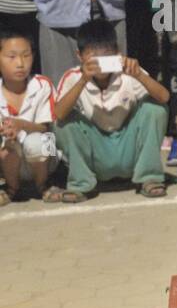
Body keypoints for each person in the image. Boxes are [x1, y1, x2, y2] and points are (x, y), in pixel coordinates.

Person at [52, 19, 170, 201]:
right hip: (96, 153)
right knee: (64, 123)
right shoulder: (73, 77)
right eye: (93, 56)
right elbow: (58, 114)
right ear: (80, 56)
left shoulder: (129, 73)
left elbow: (164, 98)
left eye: (106, 55)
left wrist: (139, 75)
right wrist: (83, 80)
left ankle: (149, 177)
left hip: (128, 147)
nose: (100, 63)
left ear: (117, 53)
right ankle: (80, 183)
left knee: (155, 109)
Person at [0, 31, 56, 204]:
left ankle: (43, 185)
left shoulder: (42, 84)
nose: (20, 64)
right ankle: (11, 188)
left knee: (40, 141)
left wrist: (20, 124)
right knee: (8, 145)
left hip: (43, 160)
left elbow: (45, 127)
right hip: (7, 162)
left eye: (26, 55)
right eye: (12, 57)